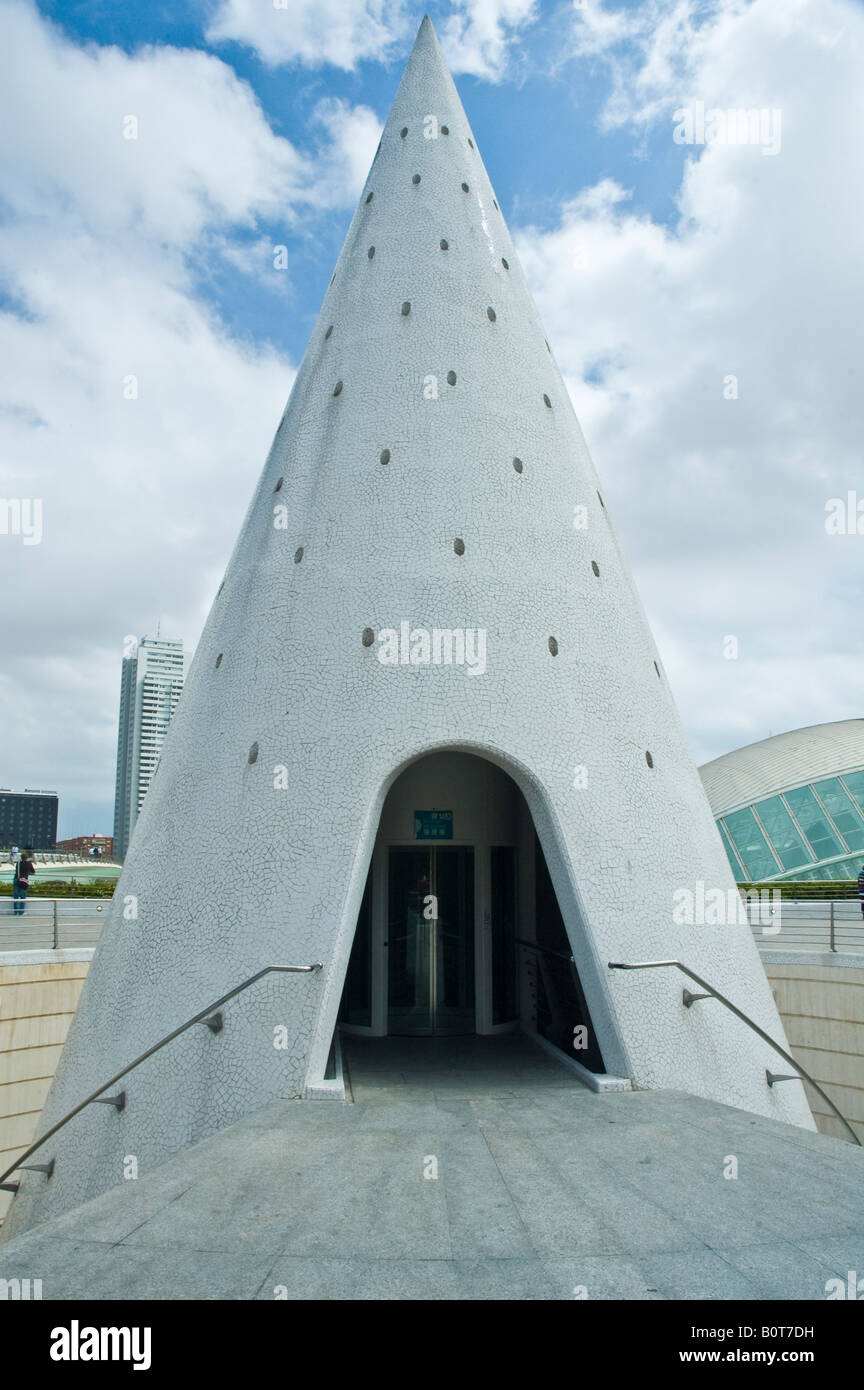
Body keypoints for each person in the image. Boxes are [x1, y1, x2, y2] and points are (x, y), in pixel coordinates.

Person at [12, 845, 35, 916]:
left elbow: (17, 871)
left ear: (21, 858)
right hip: (23, 881)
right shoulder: (29, 863)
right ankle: (21, 912)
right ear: (27, 858)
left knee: (15, 897)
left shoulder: (18, 863)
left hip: (16, 879)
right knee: (22, 897)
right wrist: (28, 873)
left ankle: (15, 912)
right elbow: (33, 872)